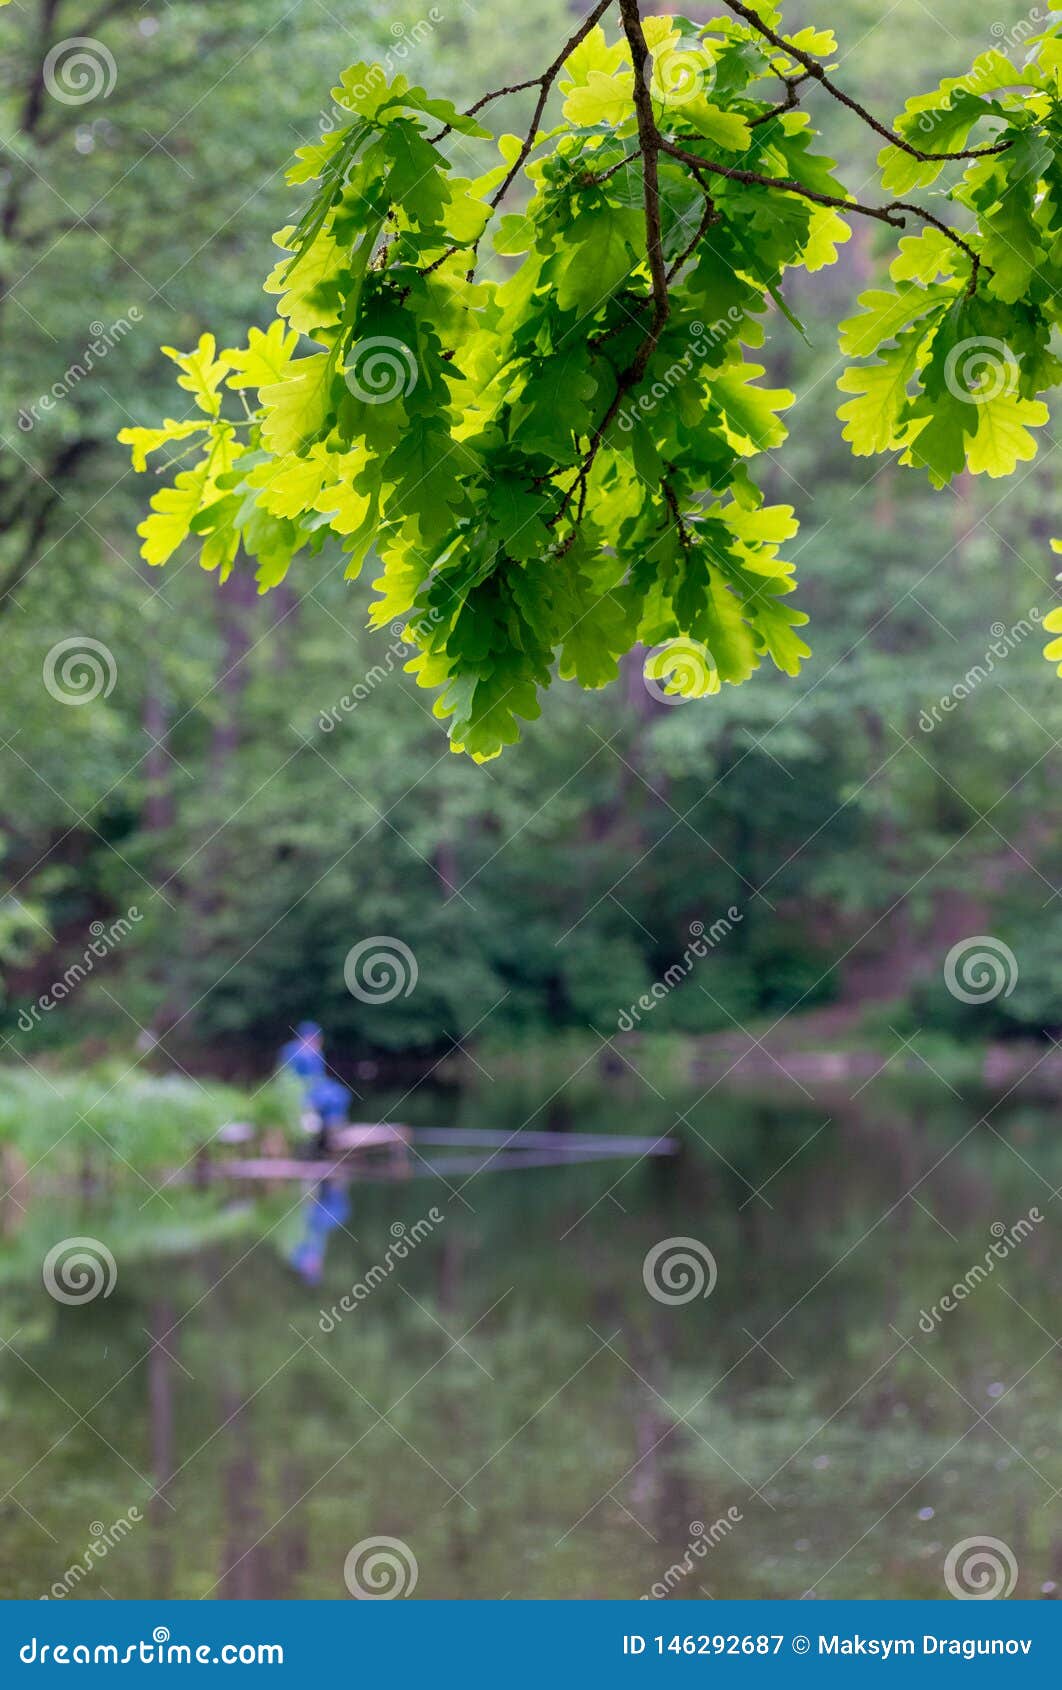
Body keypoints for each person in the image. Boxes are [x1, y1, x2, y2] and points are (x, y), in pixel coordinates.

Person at [278, 1022, 350, 1153]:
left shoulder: (317, 1052)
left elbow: (319, 1076)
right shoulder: (292, 1051)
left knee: (339, 1094)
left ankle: (332, 1131)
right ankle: (320, 1137)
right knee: (322, 1099)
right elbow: (287, 1077)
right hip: (300, 1090)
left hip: (316, 1088)